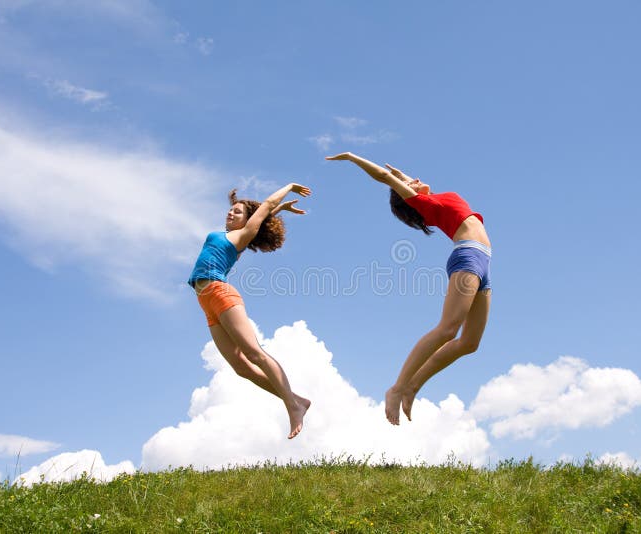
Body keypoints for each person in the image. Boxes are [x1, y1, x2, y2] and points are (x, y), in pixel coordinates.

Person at [326, 152, 491, 425]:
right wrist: (353, 158)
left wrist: (401, 176)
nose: (414, 180)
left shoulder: (433, 199)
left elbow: (399, 177)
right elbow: (385, 177)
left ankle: (413, 385)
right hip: (468, 256)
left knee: (470, 342)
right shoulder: (424, 203)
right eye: (409, 184)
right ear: (409, 197)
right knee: (448, 329)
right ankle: (397, 388)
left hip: (483, 261)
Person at [188, 183, 312, 439]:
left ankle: (292, 407)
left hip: (220, 294)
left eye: (237, 212)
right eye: (230, 210)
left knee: (254, 353)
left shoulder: (240, 238)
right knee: (241, 367)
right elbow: (265, 212)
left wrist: (287, 189)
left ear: (248, 222)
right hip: (206, 302)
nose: (230, 213)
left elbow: (264, 208)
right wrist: (280, 210)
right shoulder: (228, 237)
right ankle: (296, 399)